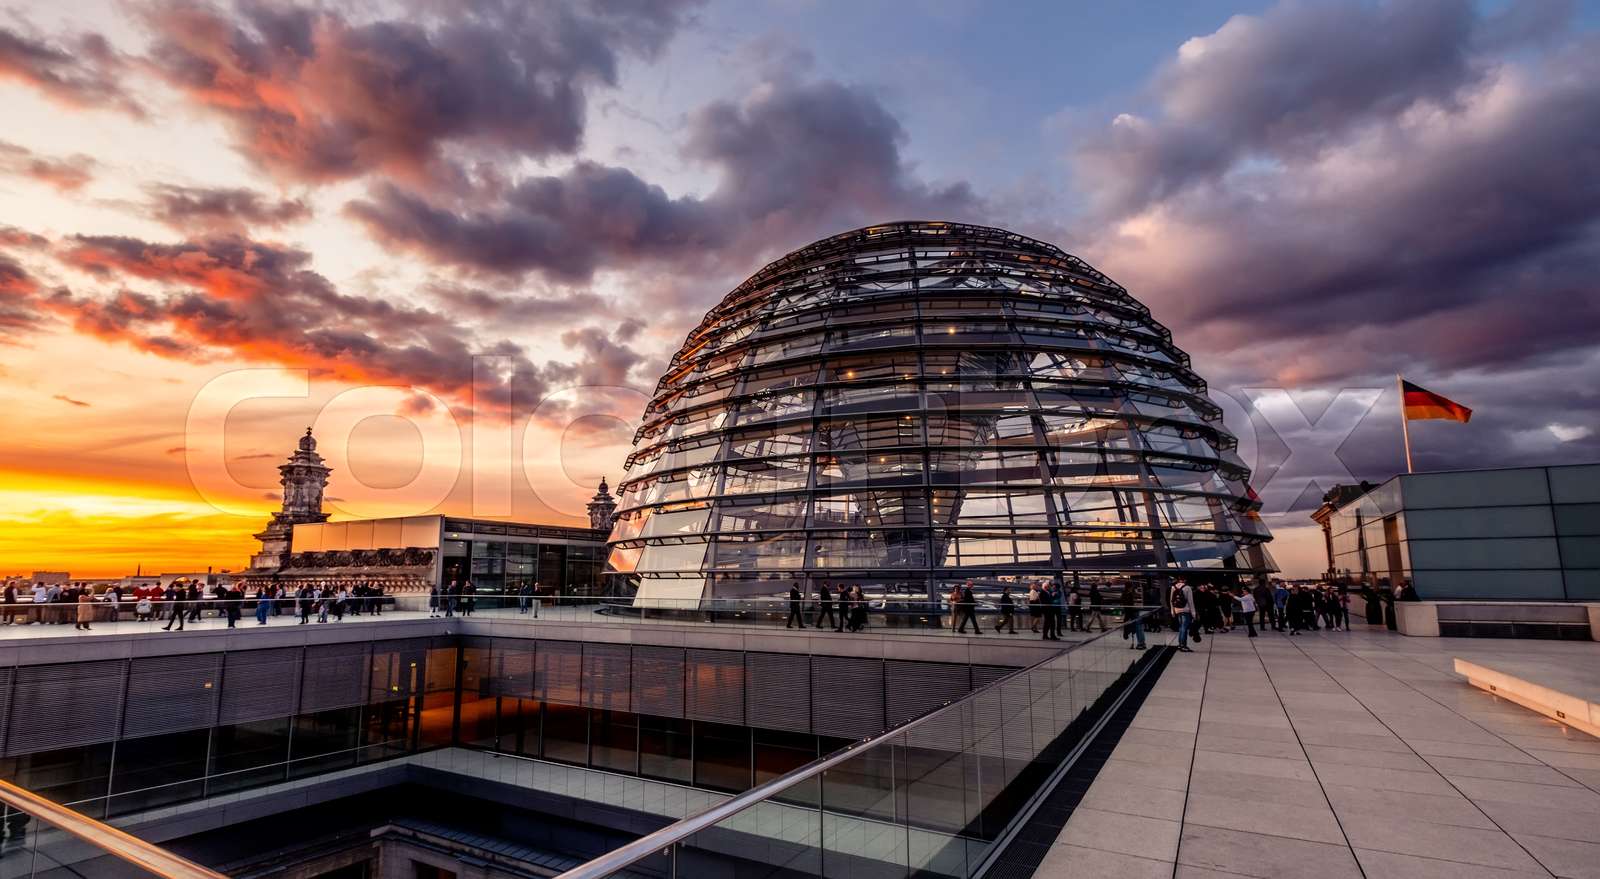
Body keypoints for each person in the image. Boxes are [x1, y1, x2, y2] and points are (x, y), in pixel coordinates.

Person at [1170, 579, 1195, 652]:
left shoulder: (1173, 587)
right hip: (1185, 610)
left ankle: (1180, 644)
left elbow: (1171, 600)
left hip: (1177, 610)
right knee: (1184, 628)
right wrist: (1193, 613)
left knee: (1181, 627)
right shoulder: (1188, 588)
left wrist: (1172, 611)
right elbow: (1190, 601)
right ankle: (1183, 645)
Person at [1120, 581, 1146, 649]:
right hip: (1134, 612)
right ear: (1130, 587)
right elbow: (1134, 604)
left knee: (1137, 627)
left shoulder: (1125, 593)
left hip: (1130, 612)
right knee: (1138, 627)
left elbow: (1125, 604)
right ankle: (1141, 643)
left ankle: (1140, 643)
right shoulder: (1131, 593)